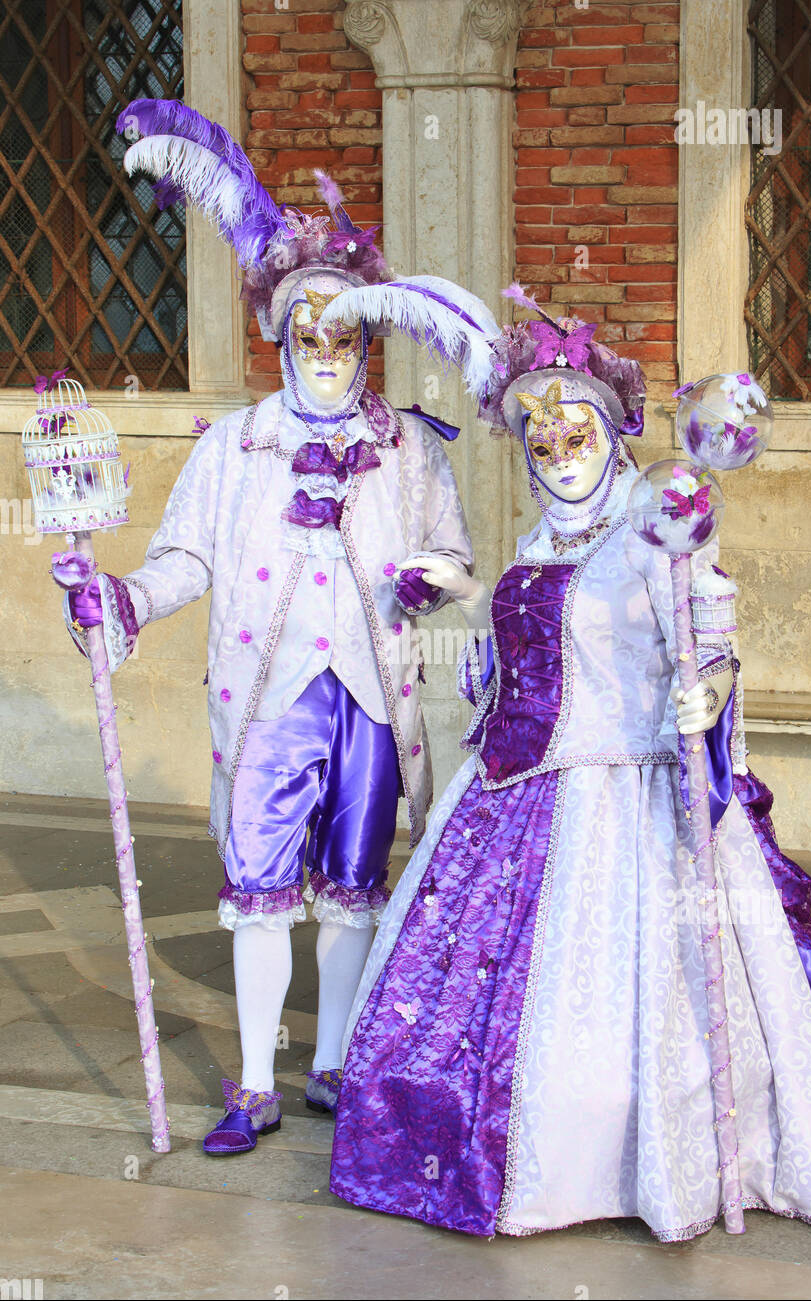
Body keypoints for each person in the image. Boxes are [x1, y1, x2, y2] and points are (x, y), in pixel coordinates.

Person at [324, 286, 811, 1240]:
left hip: (633, 799)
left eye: (578, 437)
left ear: (615, 435)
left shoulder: (657, 532)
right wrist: (464, 608)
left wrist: (711, 685)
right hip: (512, 796)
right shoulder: (537, 543)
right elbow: (526, 667)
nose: (560, 455)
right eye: (542, 444)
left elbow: (709, 632)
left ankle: (642, 1164)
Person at [53, 99, 478, 1151]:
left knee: (352, 886)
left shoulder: (411, 450)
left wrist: (436, 583)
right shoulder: (235, 446)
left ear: (366, 340)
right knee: (257, 886)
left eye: (344, 330)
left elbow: (456, 557)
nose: (325, 346)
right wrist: (117, 598)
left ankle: (331, 1060)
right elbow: (184, 559)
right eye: (307, 329)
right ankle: (252, 1082)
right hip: (268, 697)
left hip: (374, 695)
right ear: (281, 334)